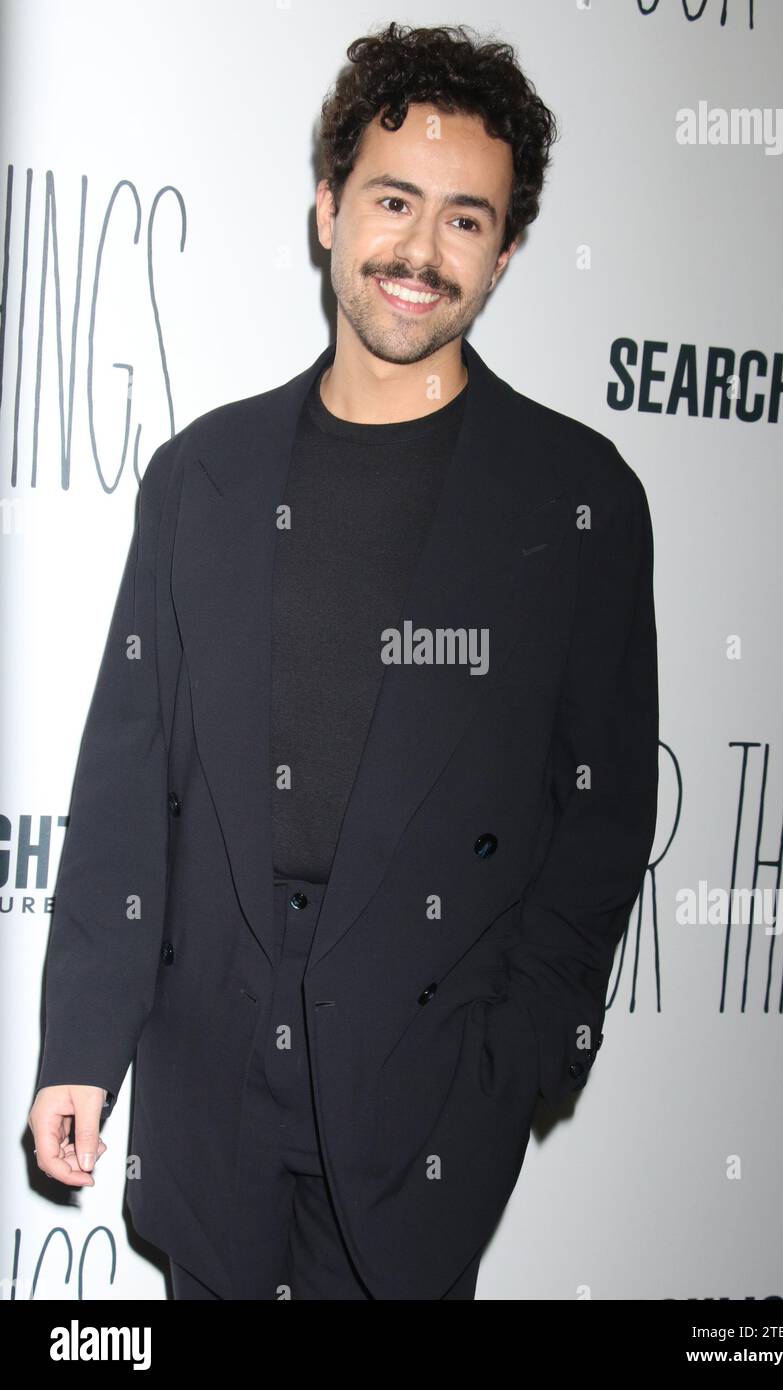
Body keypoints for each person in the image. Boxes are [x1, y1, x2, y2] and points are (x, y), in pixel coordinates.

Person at [29, 21, 659, 1300]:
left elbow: (599, 828)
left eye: (466, 220)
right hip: (211, 1052)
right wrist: (82, 1047)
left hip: (427, 1067)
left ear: (507, 251)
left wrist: (516, 1066)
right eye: (391, 201)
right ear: (327, 211)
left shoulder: (574, 497)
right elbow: (124, 788)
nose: (420, 252)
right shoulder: (203, 477)